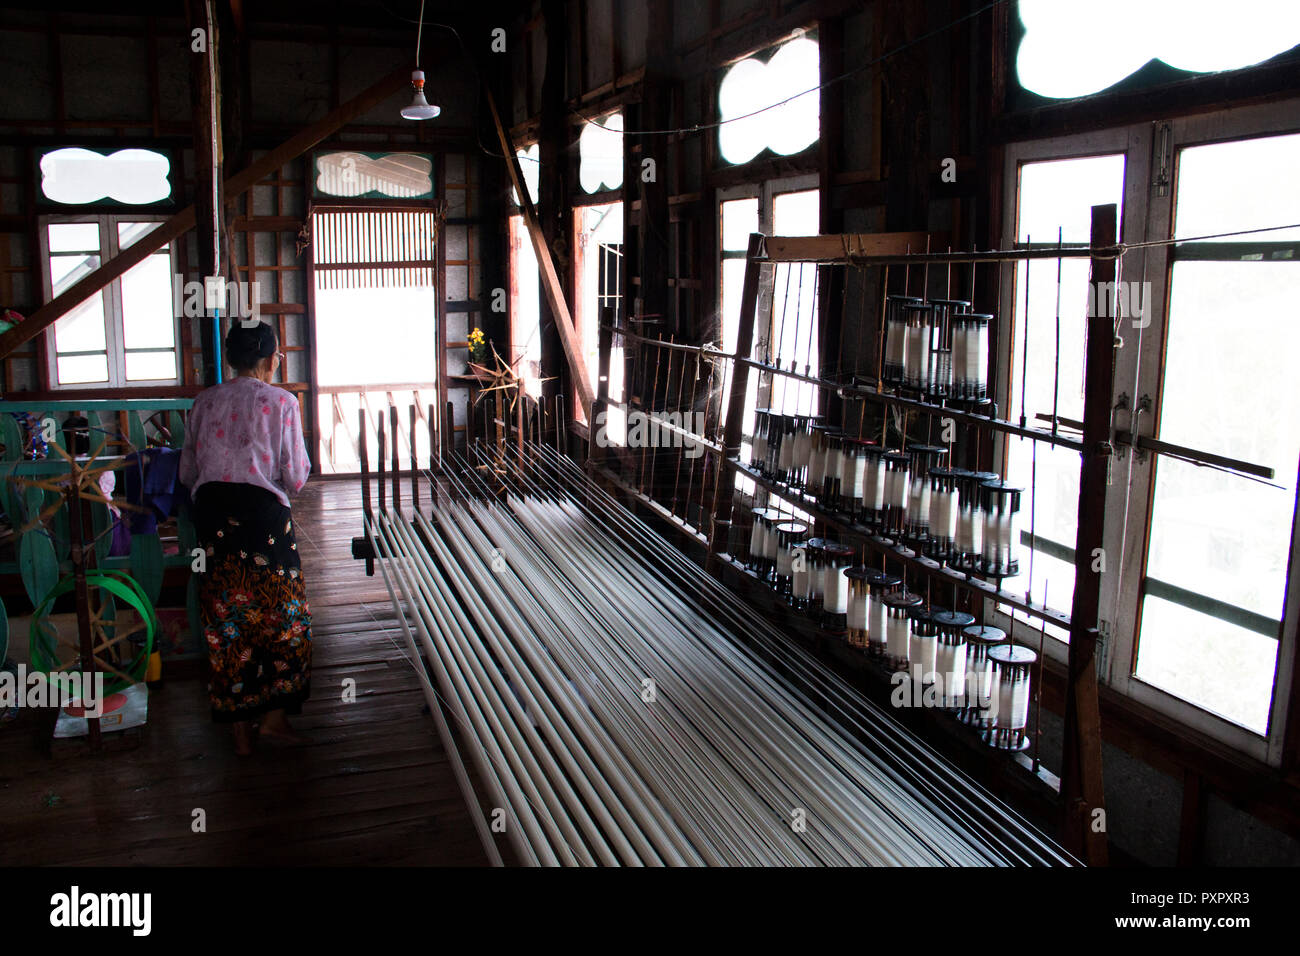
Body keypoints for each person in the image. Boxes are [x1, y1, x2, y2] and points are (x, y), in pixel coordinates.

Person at [179, 321, 313, 755]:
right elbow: (295, 476)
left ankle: (239, 729)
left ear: (231, 359)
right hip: (262, 519)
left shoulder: (203, 402)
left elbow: (187, 473)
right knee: (282, 616)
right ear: (273, 358)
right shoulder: (282, 403)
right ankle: (273, 720)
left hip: (212, 515)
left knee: (226, 617)